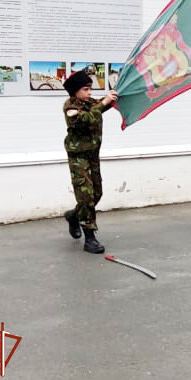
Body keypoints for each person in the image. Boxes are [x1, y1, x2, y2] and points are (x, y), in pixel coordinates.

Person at [61, 71, 117, 254]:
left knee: (96, 194)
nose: (89, 92)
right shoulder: (70, 107)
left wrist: (116, 94)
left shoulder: (90, 103)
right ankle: (90, 238)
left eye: (90, 89)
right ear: (75, 91)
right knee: (85, 197)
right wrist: (104, 102)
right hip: (78, 157)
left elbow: (104, 105)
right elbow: (87, 118)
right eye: (85, 89)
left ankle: (73, 216)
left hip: (93, 155)